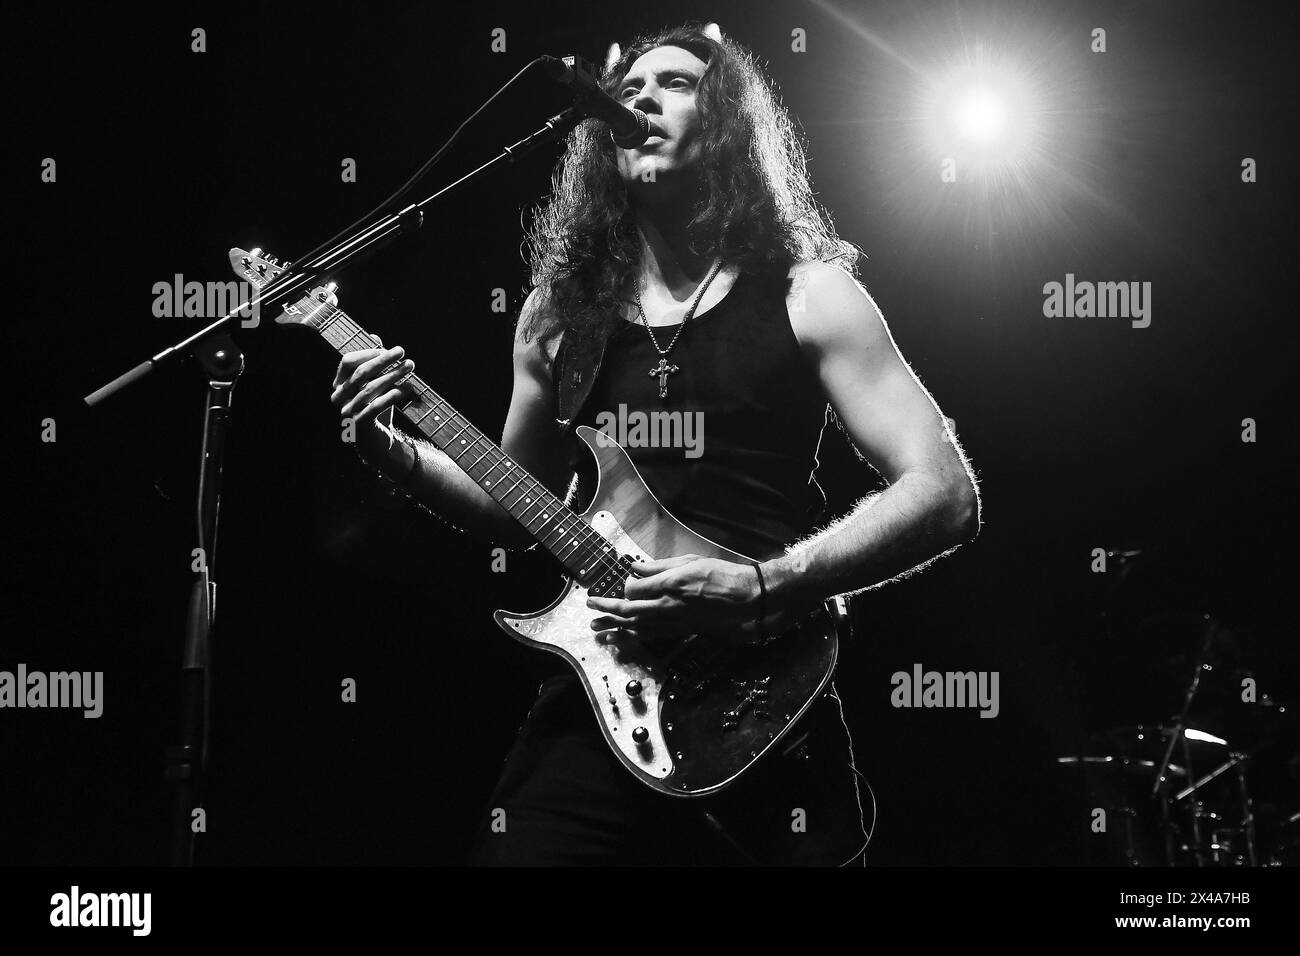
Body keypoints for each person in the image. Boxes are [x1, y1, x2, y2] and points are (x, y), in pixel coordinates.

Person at [329, 23, 980, 865]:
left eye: (674, 83)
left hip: (759, 695)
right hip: (606, 695)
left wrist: (762, 584)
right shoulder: (557, 316)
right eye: (629, 88)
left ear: (731, 125)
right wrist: (395, 454)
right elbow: (510, 506)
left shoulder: (809, 295)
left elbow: (944, 490)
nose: (640, 97)